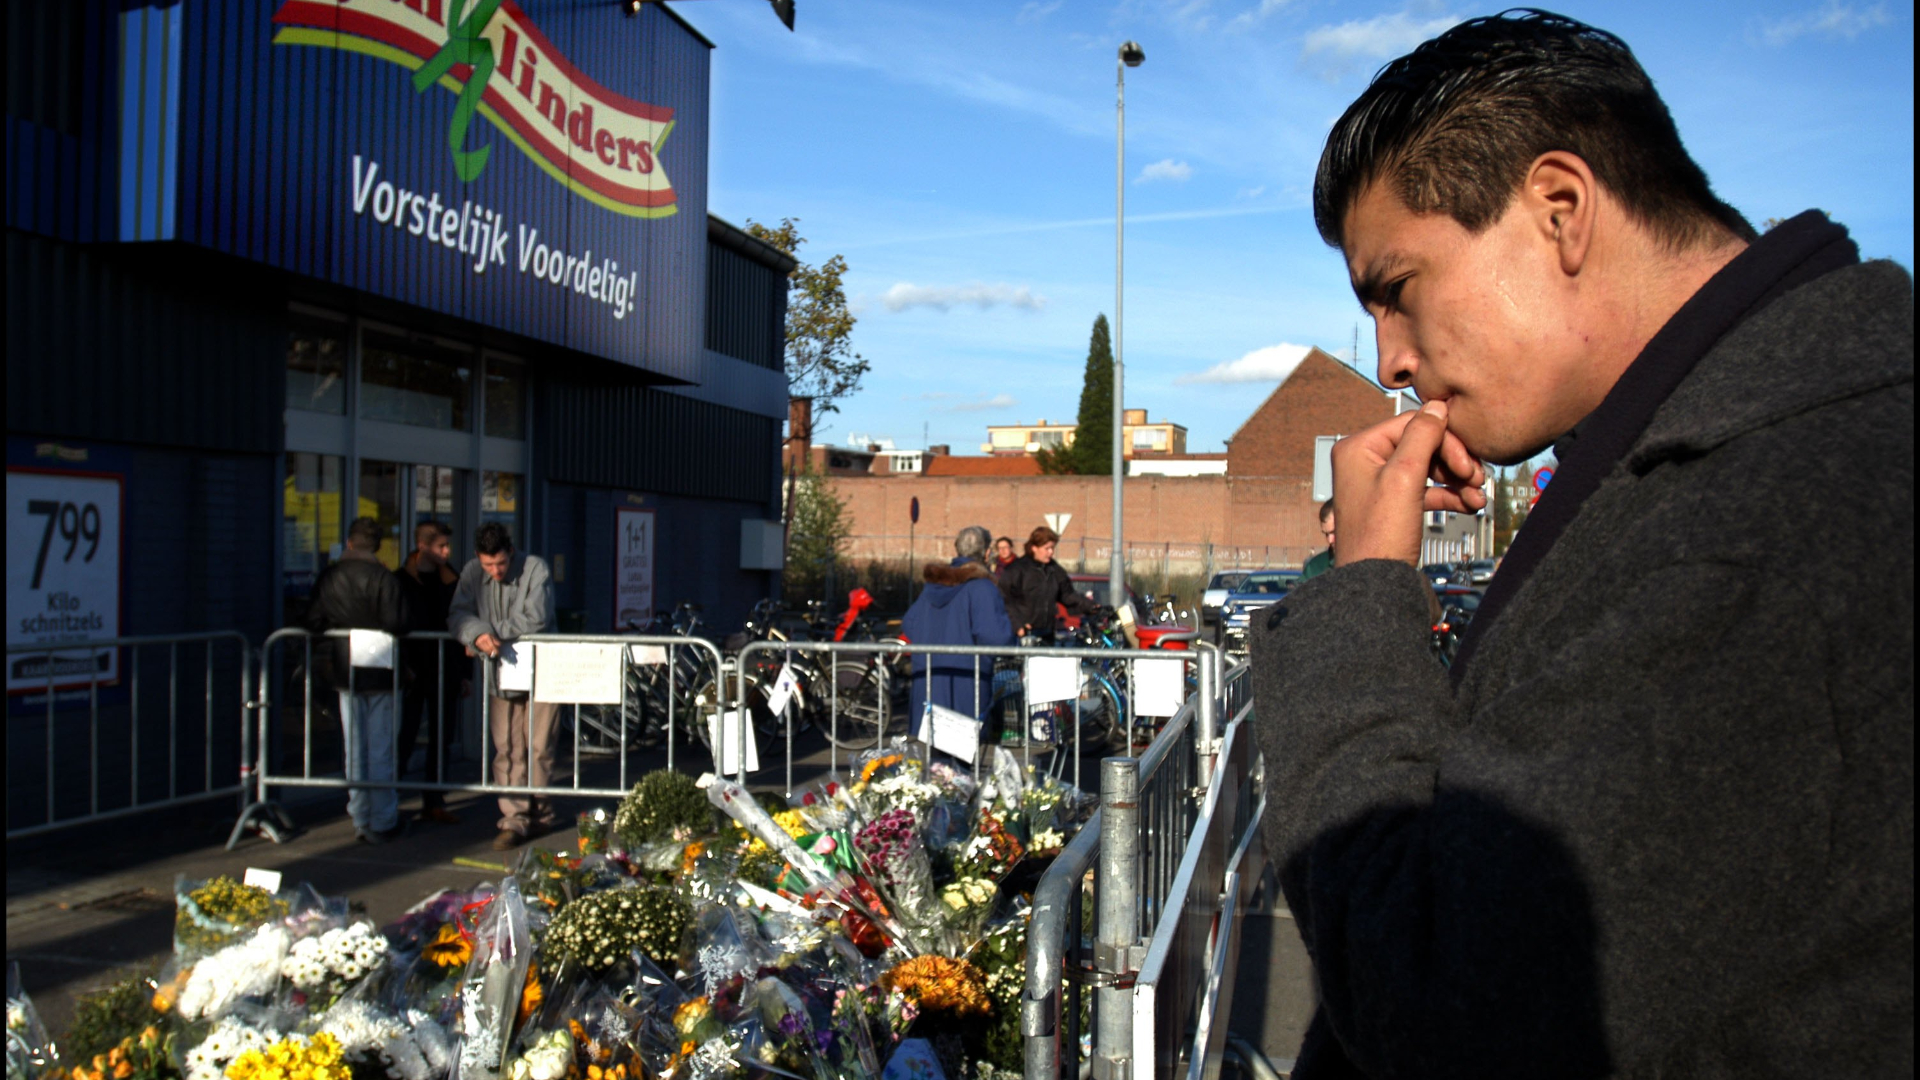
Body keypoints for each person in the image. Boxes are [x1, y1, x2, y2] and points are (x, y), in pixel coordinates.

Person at [1251, 11, 1911, 1077]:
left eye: (1399, 291)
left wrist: (1362, 585)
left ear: (1560, 209)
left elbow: (1442, 1006)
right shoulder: (1726, 450)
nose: (1391, 363)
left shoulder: (1760, 527)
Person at [448, 523, 559, 851]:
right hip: (500, 674)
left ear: (510, 552)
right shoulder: (471, 573)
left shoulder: (536, 568)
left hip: (542, 670)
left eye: (500, 564)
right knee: (507, 748)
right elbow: (457, 615)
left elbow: (536, 617)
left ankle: (541, 813)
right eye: (487, 566)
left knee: (540, 747)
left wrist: (487, 634)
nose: (495, 572)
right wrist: (475, 634)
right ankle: (514, 818)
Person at [306, 516, 411, 844]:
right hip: (382, 670)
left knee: (355, 748)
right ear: (377, 546)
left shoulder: (331, 577)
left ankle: (361, 816)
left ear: (349, 543)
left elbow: (313, 619)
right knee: (381, 748)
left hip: (345, 668)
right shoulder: (384, 578)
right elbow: (398, 621)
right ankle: (383, 818)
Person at [900, 525, 1016, 732]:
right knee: (958, 759)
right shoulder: (982, 588)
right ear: (987, 553)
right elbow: (997, 637)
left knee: (931, 759)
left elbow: (910, 623)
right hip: (966, 683)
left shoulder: (932, 586)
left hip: (928, 680)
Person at [394, 520, 464, 825]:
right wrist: (402, 666)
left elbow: (463, 623)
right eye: (441, 546)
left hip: (445, 668)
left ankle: (434, 801)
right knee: (405, 735)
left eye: (448, 545)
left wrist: (465, 675)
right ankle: (389, 799)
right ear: (422, 546)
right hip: (412, 670)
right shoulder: (399, 580)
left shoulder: (452, 579)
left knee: (441, 737)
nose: (447, 551)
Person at [996, 525, 1093, 641]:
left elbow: (1067, 595)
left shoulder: (1053, 569)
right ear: (1034, 548)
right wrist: (1018, 625)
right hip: (1022, 634)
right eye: (1047, 548)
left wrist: (1092, 606)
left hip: (1047, 632)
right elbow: (1003, 599)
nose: (1051, 552)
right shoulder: (1017, 570)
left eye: (1053, 548)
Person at [1299, 500, 1336, 580]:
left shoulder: (1365, 563)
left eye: (1334, 532)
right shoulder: (1315, 568)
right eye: (1326, 534)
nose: (1330, 540)